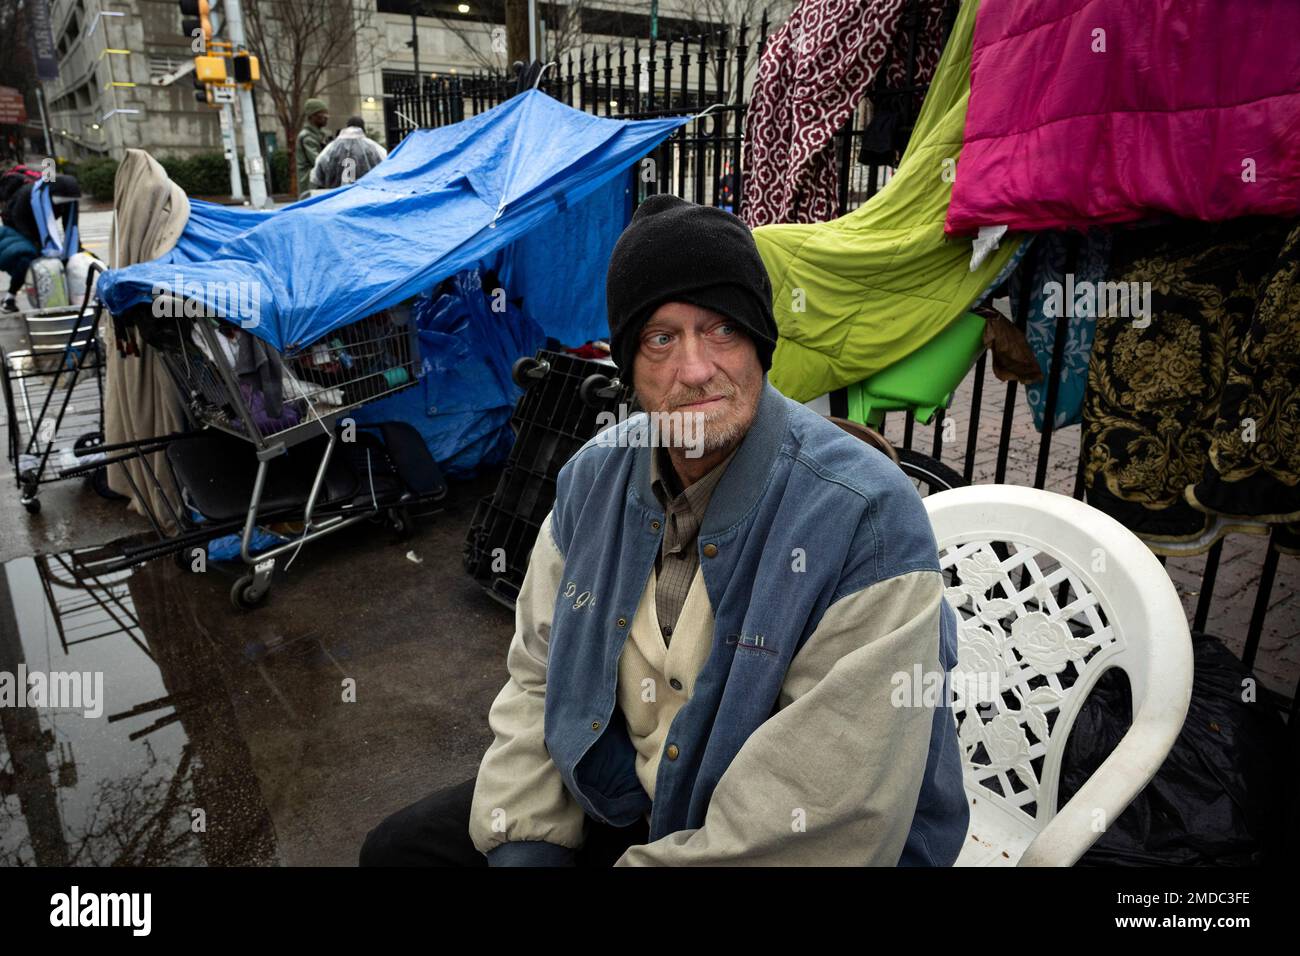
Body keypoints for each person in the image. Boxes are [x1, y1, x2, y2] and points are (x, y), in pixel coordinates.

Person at [360, 195, 969, 867]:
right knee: (399, 851)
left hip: (781, 838)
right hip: (625, 794)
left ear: (760, 344)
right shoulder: (592, 478)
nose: (695, 370)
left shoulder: (867, 519)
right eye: (660, 338)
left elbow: (821, 817)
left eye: (723, 329)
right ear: (628, 361)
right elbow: (539, 675)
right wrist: (525, 836)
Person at [0, 173, 79, 313]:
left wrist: (75, 248)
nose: (64, 206)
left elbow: (71, 226)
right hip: (14, 226)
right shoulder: (26, 197)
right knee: (27, 259)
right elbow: (25, 227)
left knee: (66, 257)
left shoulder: (69, 198)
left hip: (33, 225)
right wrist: (42, 250)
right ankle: (9, 299)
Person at [309, 115, 387, 191]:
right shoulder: (371, 147)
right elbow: (385, 167)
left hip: (336, 196)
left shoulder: (332, 148)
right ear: (363, 129)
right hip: (364, 195)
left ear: (347, 126)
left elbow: (317, 175)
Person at [294, 98, 331, 200]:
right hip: (310, 185)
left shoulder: (320, 135)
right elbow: (318, 161)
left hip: (318, 183)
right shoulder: (307, 137)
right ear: (312, 116)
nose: (326, 117)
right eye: (322, 114)